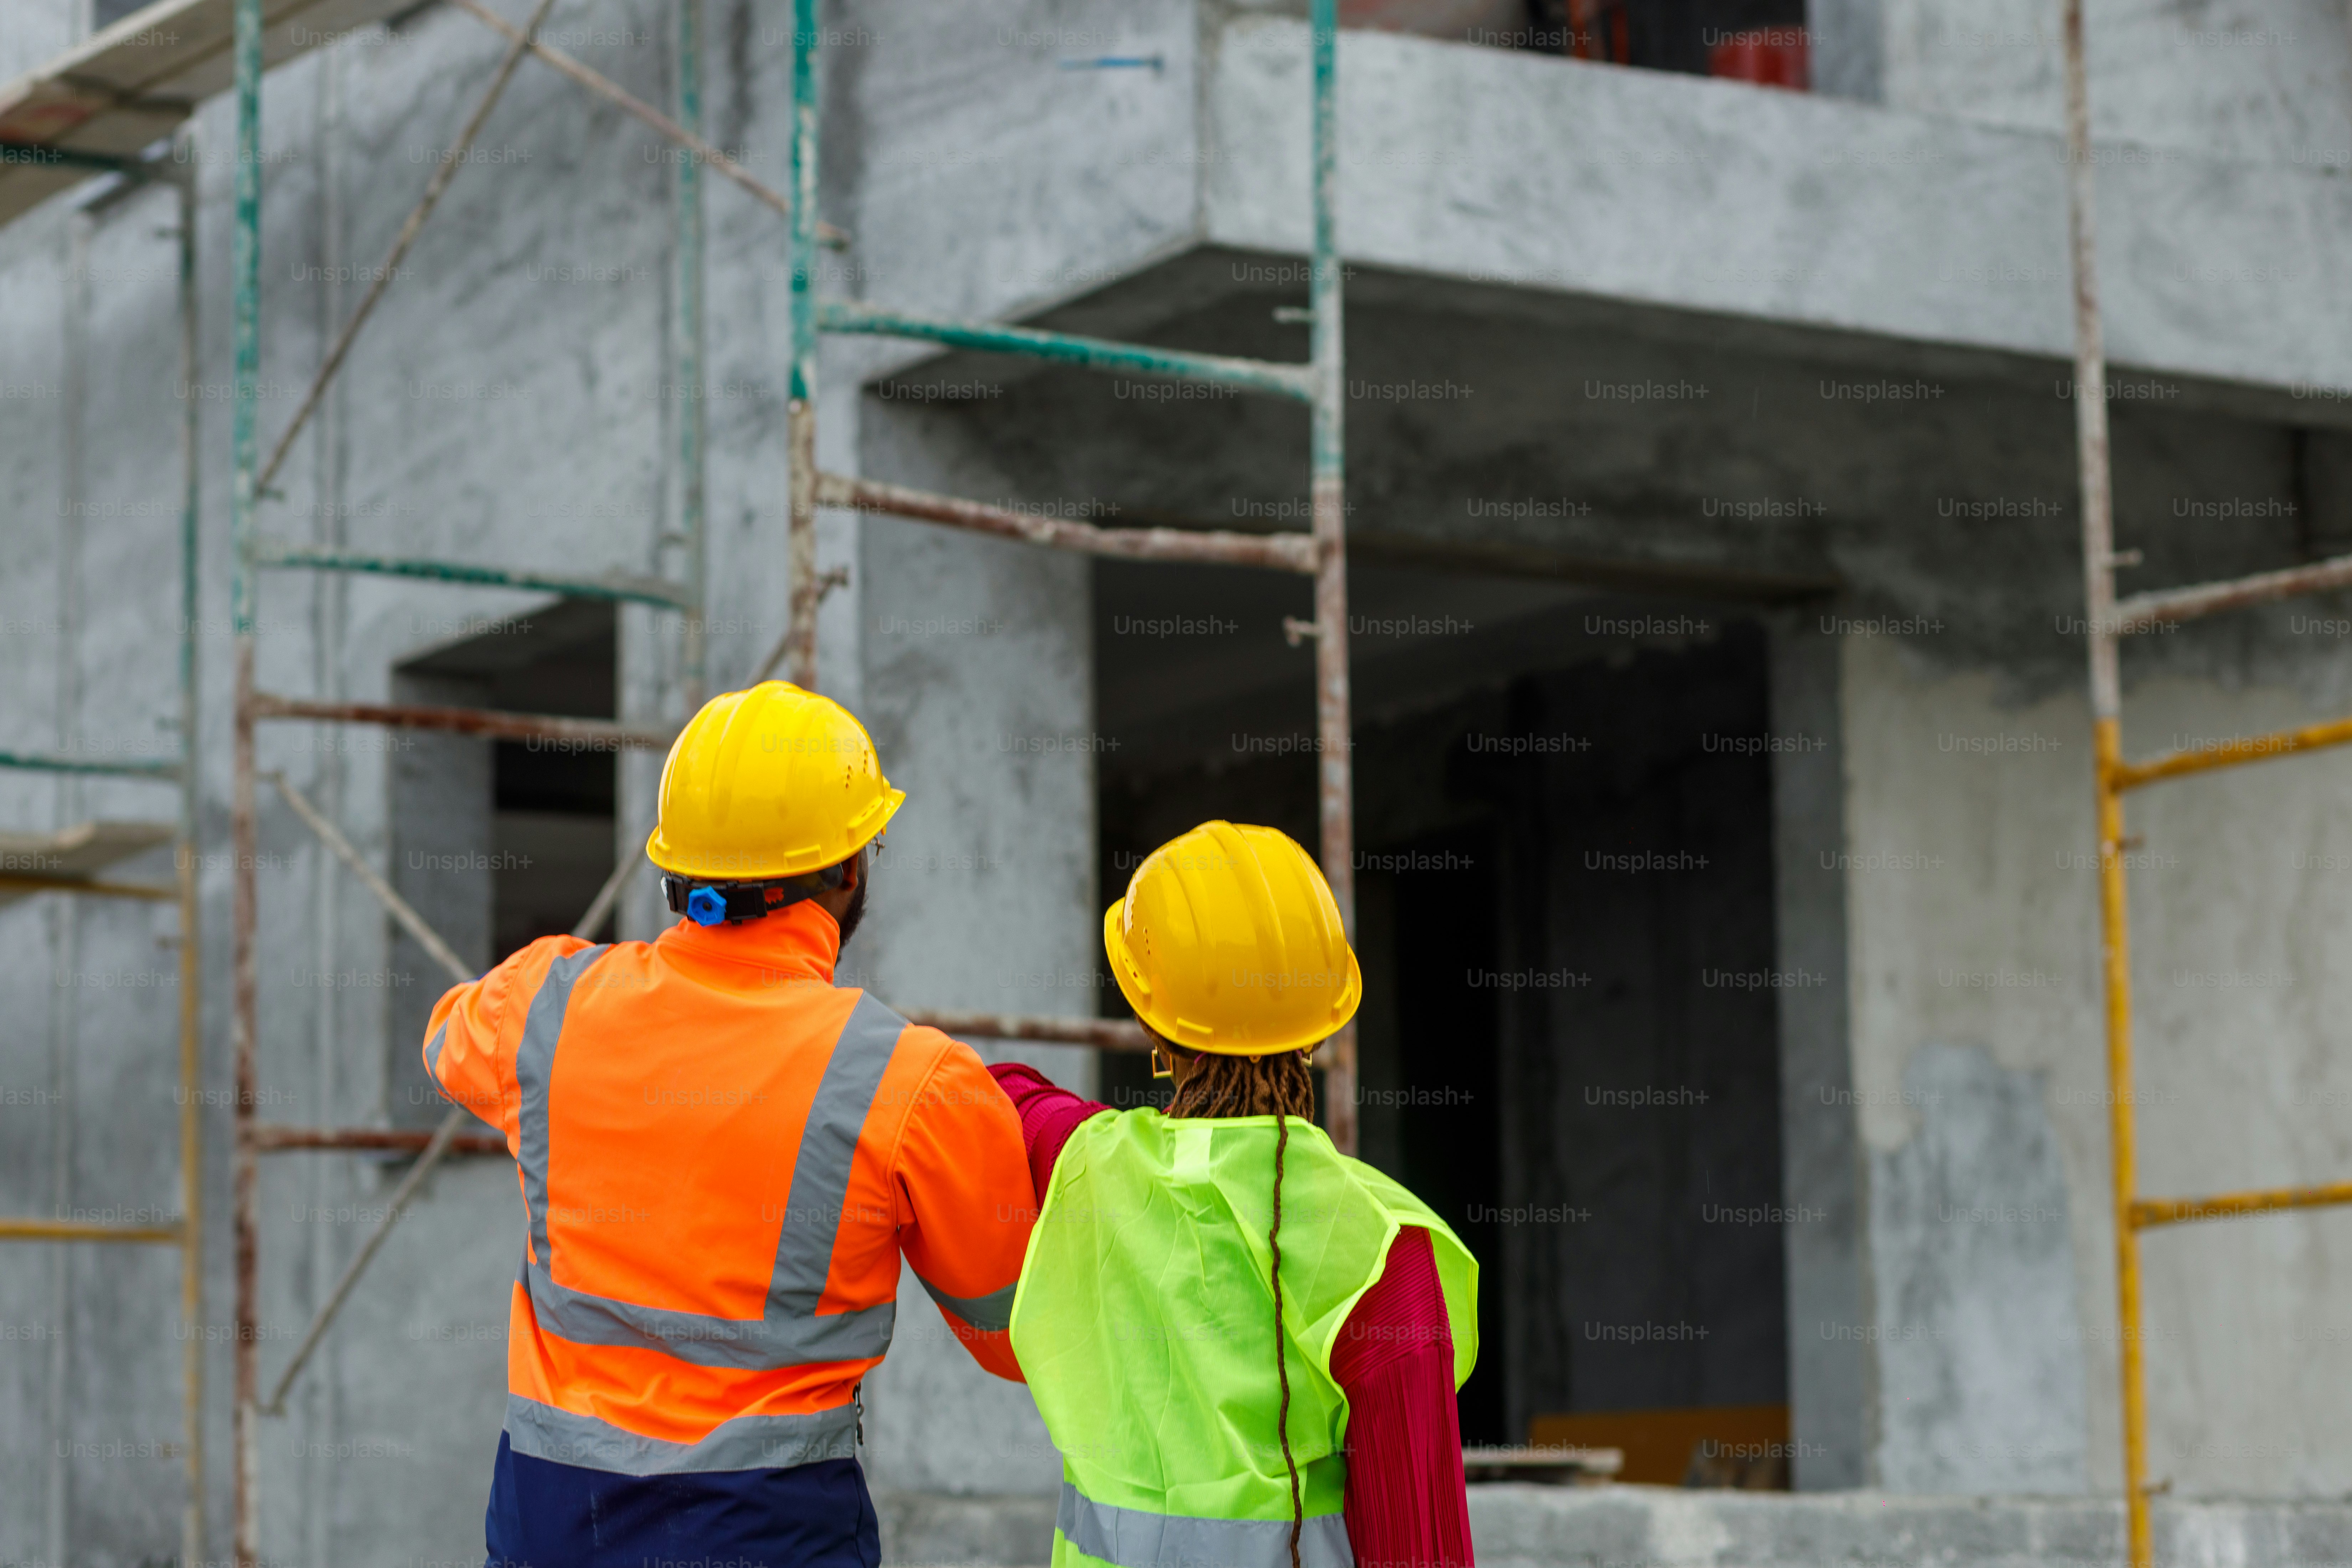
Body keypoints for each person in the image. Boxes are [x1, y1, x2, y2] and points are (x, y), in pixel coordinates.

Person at [422, 680, 1037, 1568]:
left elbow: (447, 1038)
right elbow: (1013, 1338)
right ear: (851, 868)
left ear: (676, 873)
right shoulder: (913, 1083)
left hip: (549, 1520)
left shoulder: (544, 1006)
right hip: (768, 1532)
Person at [989, 820, 1480, 1568]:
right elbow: (1419, 1548)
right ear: (1321, 1022)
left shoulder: (1083, 1164)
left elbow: (997, 1094)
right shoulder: (1381, 1253)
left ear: (1153, 1021)